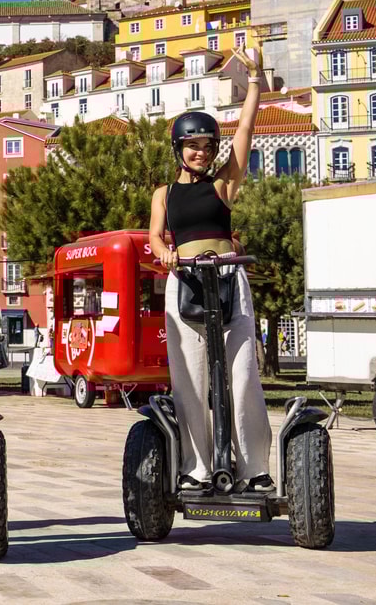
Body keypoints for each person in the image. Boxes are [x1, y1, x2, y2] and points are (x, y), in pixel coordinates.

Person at [147, 45, 273, 493]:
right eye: (193, 146)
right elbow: (154, 237)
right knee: (190, 382)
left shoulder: (224, 185)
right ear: (178, 149)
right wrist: (164, 253)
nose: (201, 153)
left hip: (228, 278)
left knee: (242, 377)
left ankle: (253, 469)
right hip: (184, 281)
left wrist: (254, 80)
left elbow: (246, 129)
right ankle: (196, 469)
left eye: (207, 146)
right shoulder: (163, 194)